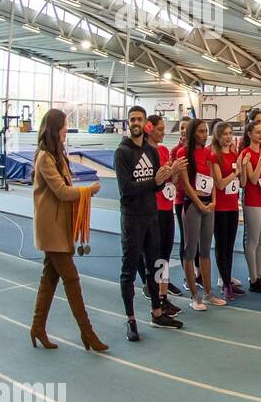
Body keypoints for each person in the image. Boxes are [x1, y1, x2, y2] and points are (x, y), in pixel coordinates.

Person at [29, 109, 109, 351]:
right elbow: (62, 192)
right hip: (51, 228)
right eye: (64, 126)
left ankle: (37, 327)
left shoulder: (57, 156)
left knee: (50, 278)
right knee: (71, 279)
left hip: (59, 226)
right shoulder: (44, 157)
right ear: (55, 129)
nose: (67, 129)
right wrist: (89, 191)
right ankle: (87, 333)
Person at [115, 105, 183, 341]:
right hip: (132, 218)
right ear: (128, 123)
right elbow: (126, 190)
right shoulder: (122, 153)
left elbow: (156, 186)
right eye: (132, 119)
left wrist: (166, 176)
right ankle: (131, 319)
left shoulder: (151, 152)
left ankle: (157, 311)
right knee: (129, 269)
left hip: (151, 216)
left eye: (139, 119)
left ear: (145, 124)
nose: (135, 122)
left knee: (155, 266)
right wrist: (154, 180)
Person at [177, 119, 226, 311]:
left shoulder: (208, 153)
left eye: (206, 131)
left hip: (208, 204)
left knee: (205, 250)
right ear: (192, 133)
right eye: (200, 131)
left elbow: (211, 179)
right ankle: (194, 295)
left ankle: (208, 292)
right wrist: (199, 203)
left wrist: (213, 201)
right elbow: (186, 185)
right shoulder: (183, 153)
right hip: (192, 205)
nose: (205, 135)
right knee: (191, 251)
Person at [146, 114, 184, 306]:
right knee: (155, 253)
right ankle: (155, 293)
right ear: (149, 129)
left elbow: (172, 182)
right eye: (160, 129)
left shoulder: (163, 150)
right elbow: (156, 179)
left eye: (163, 129)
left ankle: (163, 294)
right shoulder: (145, 153)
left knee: (166, 254)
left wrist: (175, 171)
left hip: (167, 206)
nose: (163, 133)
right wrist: (171, 170)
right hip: (154, 209)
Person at [239, 121, 261, 293]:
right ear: (249, 134)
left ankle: (260, 275)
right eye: (258, 132)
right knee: (252, 241)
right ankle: (253, 278)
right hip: (252, 201)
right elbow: (252, 179)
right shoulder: (246, 153)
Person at [209, 121, 243, 300]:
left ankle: (227, 279)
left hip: (232, 206)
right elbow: (220, 183)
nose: (228, 137)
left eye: (230, 133)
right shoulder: (215, 156)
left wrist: (241, 170)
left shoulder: (234, 154)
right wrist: (235, 174)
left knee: (229, 246)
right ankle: (225, 283)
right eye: (225, 134)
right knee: (221, 245)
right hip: (220, 207)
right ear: (218, 136)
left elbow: (240, 182)